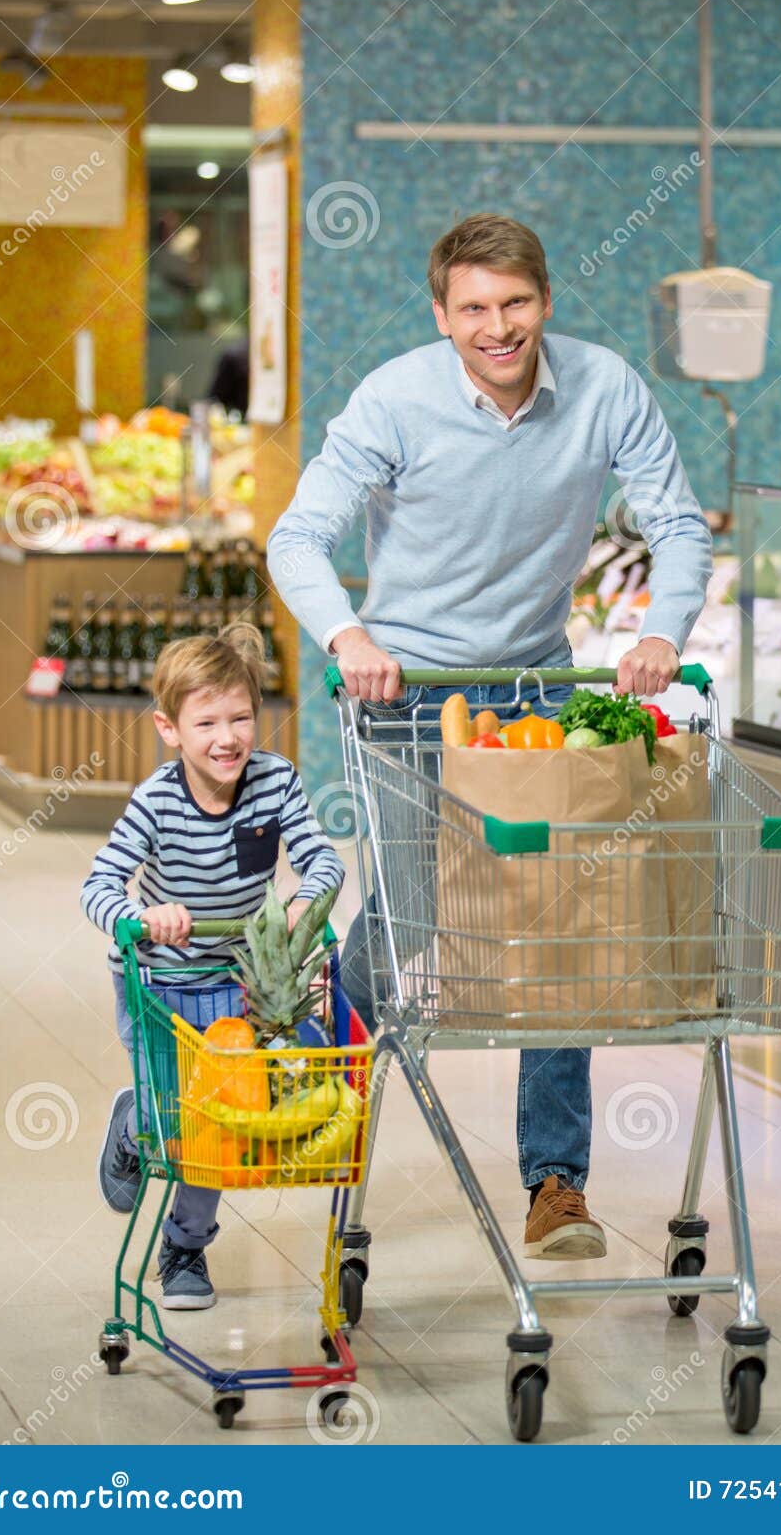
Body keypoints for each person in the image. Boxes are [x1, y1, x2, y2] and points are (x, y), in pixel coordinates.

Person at [267, 211, 712, 1259]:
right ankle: (305, 1075)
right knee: (413, 914)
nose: (496, 327)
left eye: (514, 303)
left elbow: (677, 522)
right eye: (472, 308)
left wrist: (660, 630)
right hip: (407, 685)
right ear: (442, 314)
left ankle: (555, 1182)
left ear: (544, 301)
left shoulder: (604, 387)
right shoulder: (393, 398)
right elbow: (298, 535)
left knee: (556, 922)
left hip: (537, 685)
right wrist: (349, 635)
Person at [81, 623, 344, 1309]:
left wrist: (305, 901)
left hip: (236, 980)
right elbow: (97, 885)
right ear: (169, 729)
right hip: (158, 980)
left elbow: (322, 859)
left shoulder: (276, 780)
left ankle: (186, 1246)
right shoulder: (156, 801)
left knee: (217, 1123)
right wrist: (143, 917)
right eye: (206, 723)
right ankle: (134, 1126)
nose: (227, 738)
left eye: (241, 718)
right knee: (169, 1120)